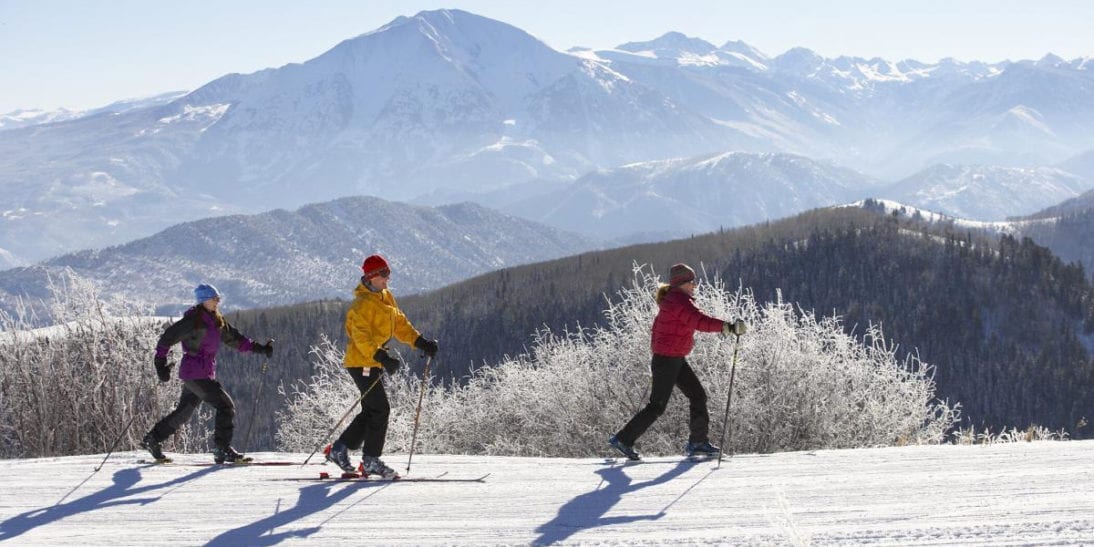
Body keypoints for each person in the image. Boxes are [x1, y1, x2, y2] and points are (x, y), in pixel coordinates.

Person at [609, 263, 746, 461]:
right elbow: (698, 321)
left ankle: (698, 442)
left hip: (672, 358)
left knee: (698, 396)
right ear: (681, 283)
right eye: (691, 282)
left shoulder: (675, 300)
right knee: (657, 406)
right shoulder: (679, 302)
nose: (694, 285)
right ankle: (624, 439)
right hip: (667, 360)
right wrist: (728, 327)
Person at [326, 254, 439, 479]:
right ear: (372, 276)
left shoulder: (386, 297)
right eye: (384, 274)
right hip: (361, 362)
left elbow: (400, 324)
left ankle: (340, 449)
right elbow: (360, 338)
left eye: (388, 273)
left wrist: (420, 342)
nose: (388, 278)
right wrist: (381, 357)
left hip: (373, 362)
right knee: (380, 409)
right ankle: (370, 460)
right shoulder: (361, 305)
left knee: (372, 410)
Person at [140, 284, 274, 464]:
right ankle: (222, 449)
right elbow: (167, 339)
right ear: (204, 300)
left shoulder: (216, 320)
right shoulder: (193, 320)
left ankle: (153, 439)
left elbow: (236, 340)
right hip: (195, 373)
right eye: (214, 298)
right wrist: (160, 363)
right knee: (225, 406)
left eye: (218, 298)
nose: (218, 301)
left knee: (183, 413)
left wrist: (260, 349)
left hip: (202, 372)